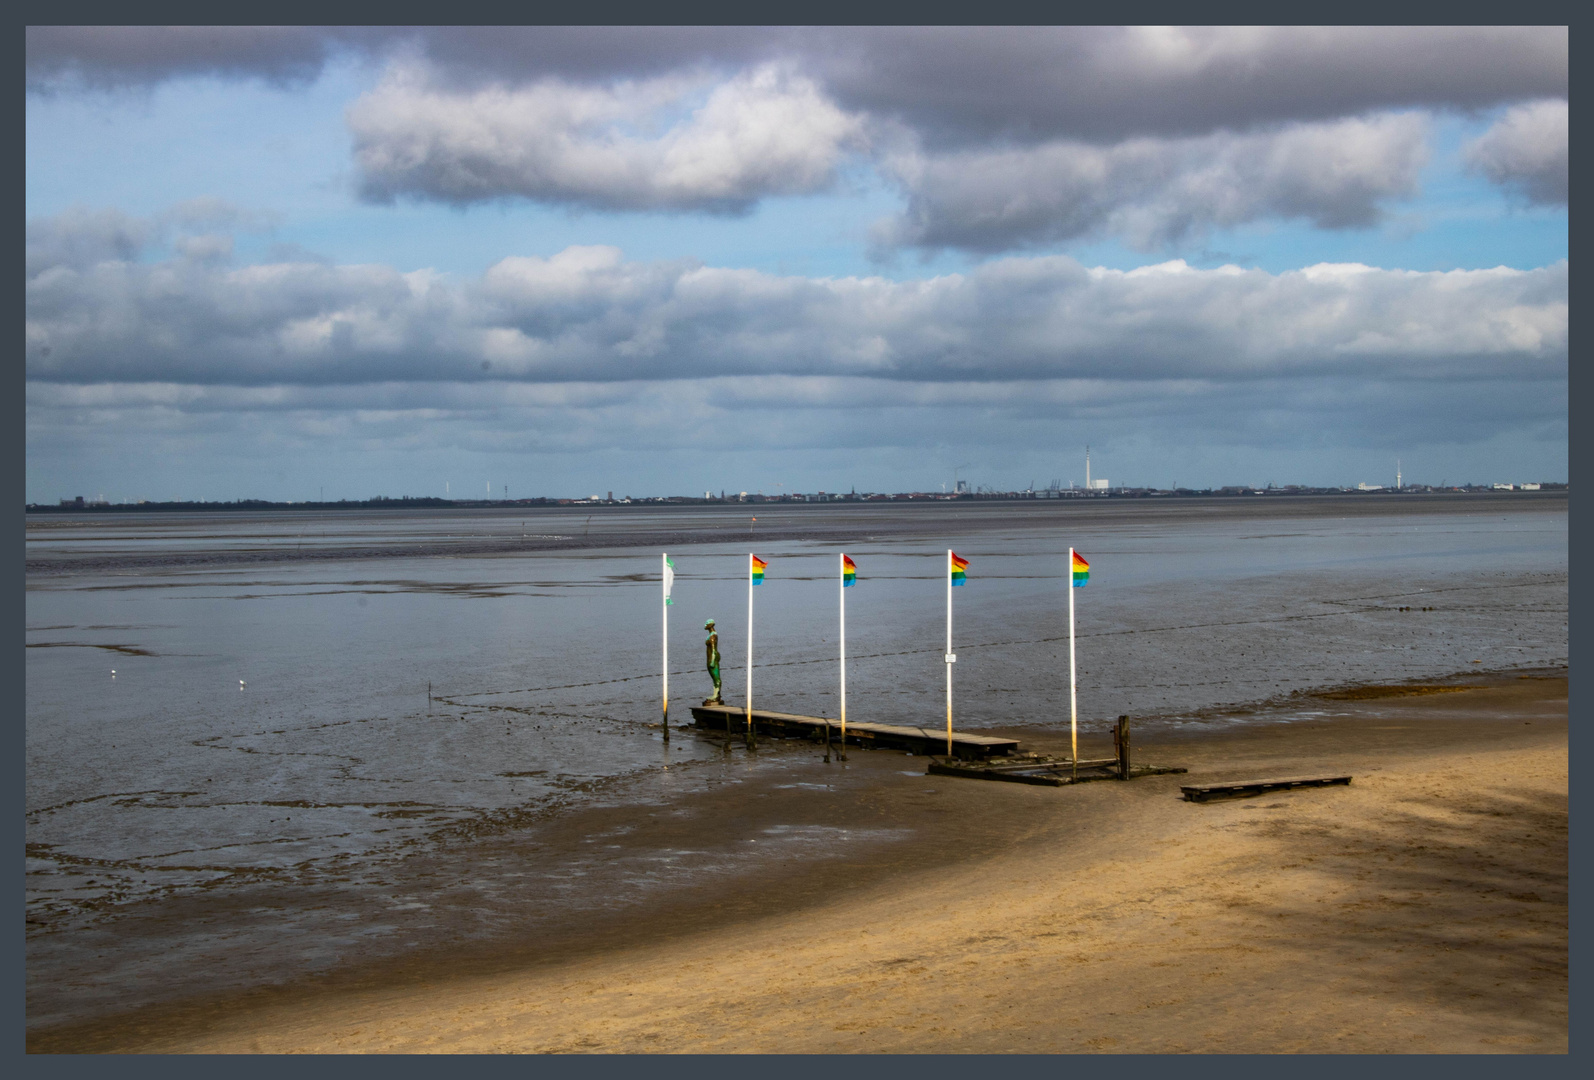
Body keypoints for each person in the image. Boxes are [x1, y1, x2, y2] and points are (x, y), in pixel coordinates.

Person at [703, 619, 724, 705]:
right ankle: (715, 694)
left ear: (710, 625)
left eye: (706, 624)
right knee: (714, 678)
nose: (705, 625)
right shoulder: (711, 635)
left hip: (712, 659)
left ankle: (717, 695)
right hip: (710, 658)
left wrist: (712, 661)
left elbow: (714, 650)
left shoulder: (713, 636)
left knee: (716, 678)